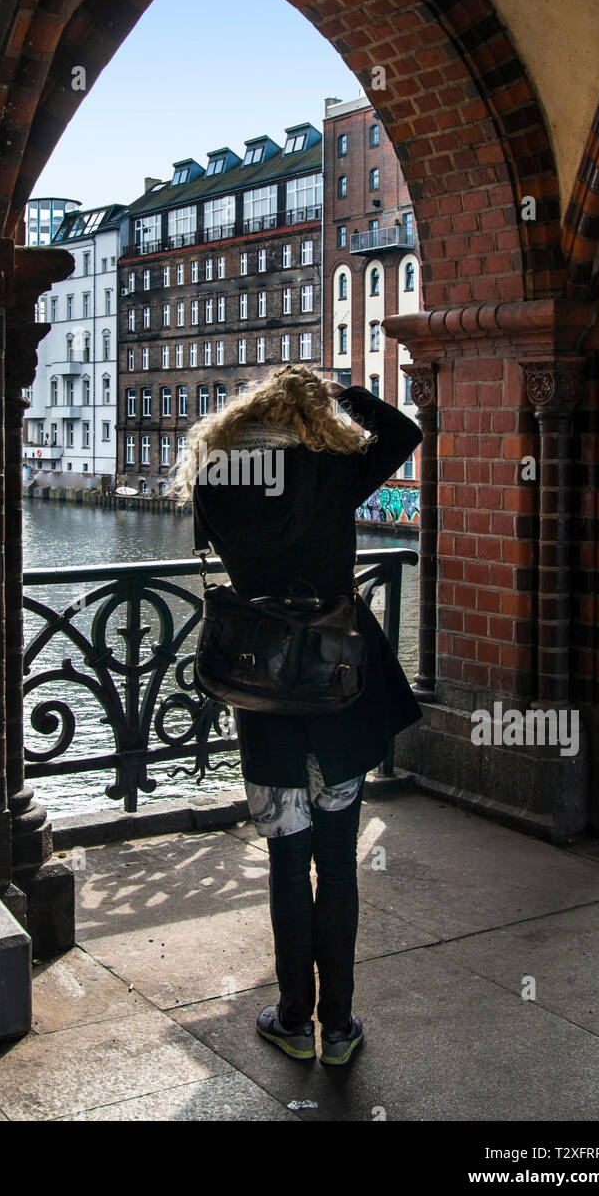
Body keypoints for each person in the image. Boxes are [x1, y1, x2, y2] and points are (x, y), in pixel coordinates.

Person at [169, 364, 423, 1067]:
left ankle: (291, 1018)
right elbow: (405, 431)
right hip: (338, 680)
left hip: (263, 683)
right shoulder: (333, 468)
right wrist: (341, 391)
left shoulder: (216, 470)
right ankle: (339, 1030)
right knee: (338, 863)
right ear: (311, 415)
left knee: (287, 858)